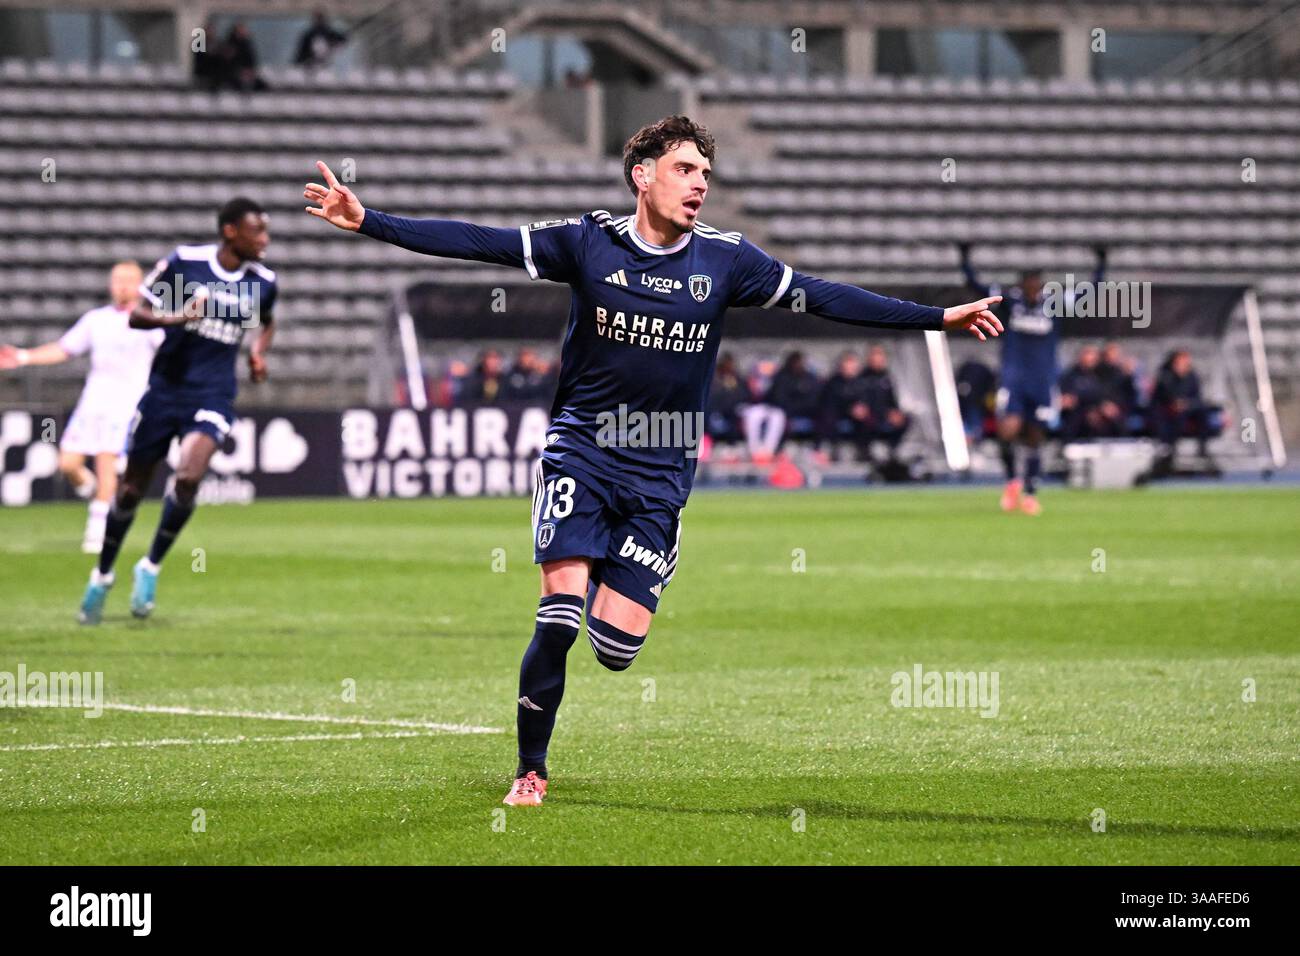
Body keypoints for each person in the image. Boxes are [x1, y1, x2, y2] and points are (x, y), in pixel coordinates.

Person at [305, 115, 1002, 807]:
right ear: (643, 176)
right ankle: (531, 769)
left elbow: (824, 297)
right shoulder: (587, 243)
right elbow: (478, 243)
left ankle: (625, 561)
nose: (699, 183)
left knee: (613, 648)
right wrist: (369, 220)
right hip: (581, 451)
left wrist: (936, 317)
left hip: (662, 472)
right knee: (559, 617)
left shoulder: (727, 260)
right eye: (685, 169)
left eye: (705, 173)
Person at [77, 198, 277, 625]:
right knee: (131, 491)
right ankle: (103, 573)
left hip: (214, 393)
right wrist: (178, 317)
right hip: (165, 391)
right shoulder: (187, 264)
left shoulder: (262, 281)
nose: (265, 240)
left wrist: (258, 353)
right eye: (256, 232)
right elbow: (138, 316)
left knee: (188, 477)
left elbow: (267, 320)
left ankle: (149, 566)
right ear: (230, 232)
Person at [0, 262, 162, 552]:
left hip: (127, 404)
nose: (122, 285)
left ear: (140, 285)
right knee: (67, 464)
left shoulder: (151, 321)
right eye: (117, 280)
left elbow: (169, 356)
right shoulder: (96, 320)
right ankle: (97, 495)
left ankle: (97, 531)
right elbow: (64, 349)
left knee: (105, 460)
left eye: (128, 280)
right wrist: (24, 357)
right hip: (93, 402)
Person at [960, 242, 1105, 515]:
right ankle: (1013, 480)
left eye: (1036, 283)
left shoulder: (1053, 303)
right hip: (1014, 379)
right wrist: (964, 258)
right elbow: (976, 287)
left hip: (1042, 380)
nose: (1032, 288)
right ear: (1022, 285)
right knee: (1008, 431)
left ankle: (1030, 492)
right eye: (1029, 283)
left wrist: (1101, 265)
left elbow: (1090, 292)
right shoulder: (1010, 302)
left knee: (1035, 436)